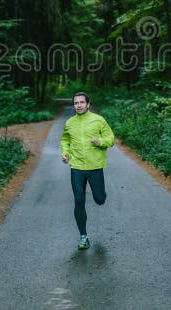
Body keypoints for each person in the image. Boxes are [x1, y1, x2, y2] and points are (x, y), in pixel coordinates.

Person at [60, 91, 115, 250]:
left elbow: (111, 139)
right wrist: (65, 153)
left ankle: (101, 195)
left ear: (88, 104)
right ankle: (83, 236)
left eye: (81, 102)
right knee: (78, 200)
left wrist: (100, 141)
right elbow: (65, 140)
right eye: (76, 103)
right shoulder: (69, 122)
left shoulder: (98, 120)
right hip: (76, 167)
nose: (78, 105)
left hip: (95, 166)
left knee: (99, 199)